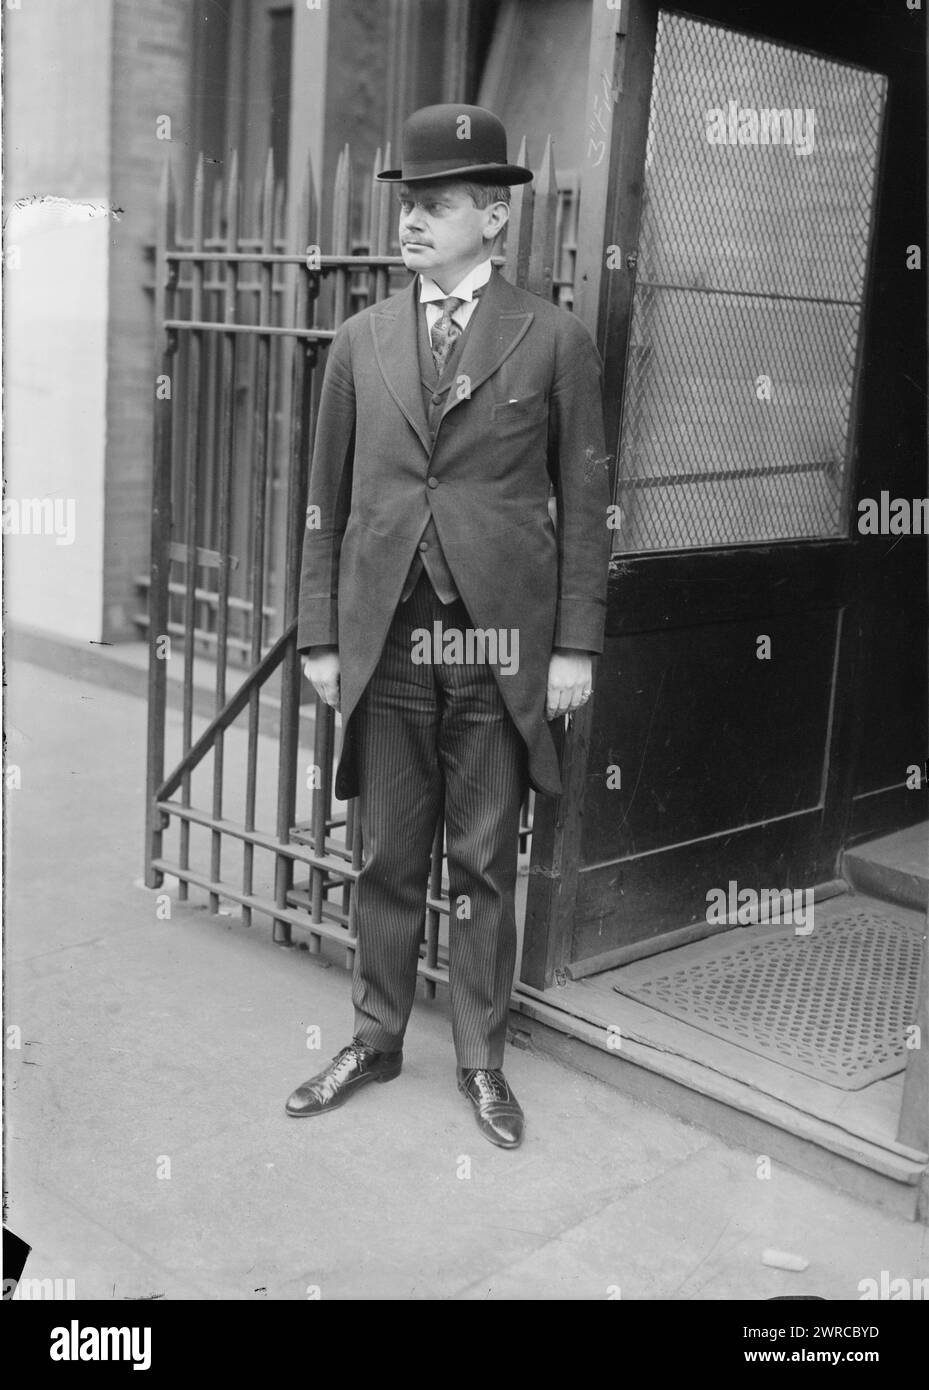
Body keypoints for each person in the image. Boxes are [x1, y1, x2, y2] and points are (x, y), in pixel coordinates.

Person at [286, 104, 609, 1148]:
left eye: (437, 203)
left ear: (493, 217)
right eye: (409, 204)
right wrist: (321, 636)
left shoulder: (552, 339)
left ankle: (479, 1060)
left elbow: (586, 496)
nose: (414, 221)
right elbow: (322, 501)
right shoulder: (358, 342)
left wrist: (572, 645)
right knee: (383, 855)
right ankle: (374, 1038)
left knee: (481, 863)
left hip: (494, 649)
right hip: (386, 642)